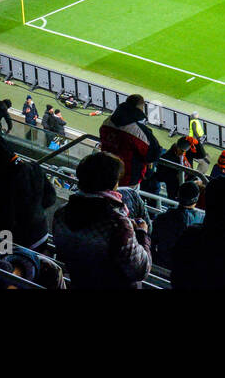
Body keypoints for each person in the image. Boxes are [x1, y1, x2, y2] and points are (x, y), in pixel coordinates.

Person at [51, 151, 152, 289]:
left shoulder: (61, 213)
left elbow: (63, 253)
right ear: (112, 184)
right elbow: (141, 269)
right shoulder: (118, 224)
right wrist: (141, 233)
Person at [99, 94, 161, 187]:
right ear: (140, 108)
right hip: (128, 179)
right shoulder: (138, 131)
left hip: (105, 172)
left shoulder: (107, 122)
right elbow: (154, 153)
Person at [151, 179, 203, 270]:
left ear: (178, 196)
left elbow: (151, 241)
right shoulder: (202, 222)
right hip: (186, 270)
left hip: (162, 264)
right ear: (196, 200)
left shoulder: (161, 218)